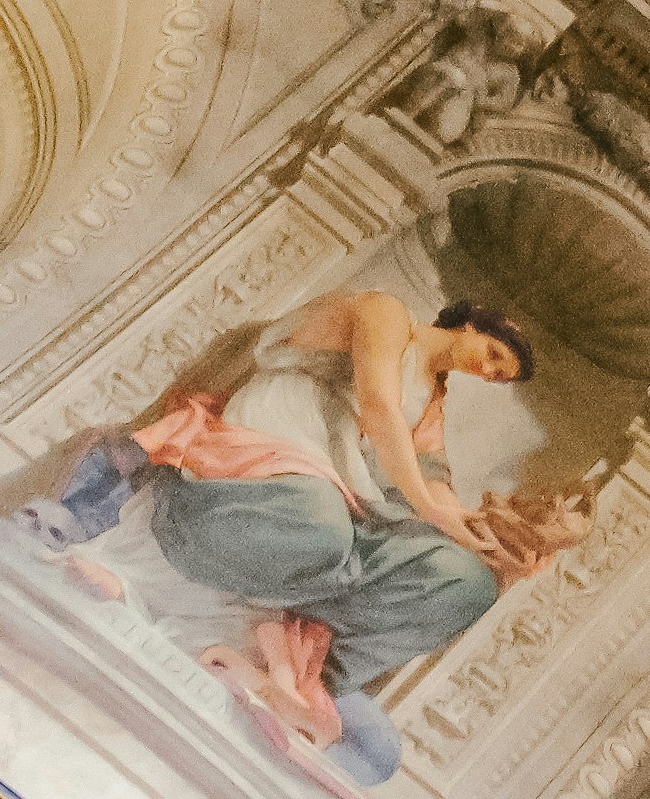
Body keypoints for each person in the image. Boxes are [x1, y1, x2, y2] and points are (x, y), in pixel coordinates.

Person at [71, 290, 587, 762]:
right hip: (272, 443)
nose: (488, 371)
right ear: (473, 324)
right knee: (321, 529)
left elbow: (433, 484)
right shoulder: (388, 314)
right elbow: (379, 405)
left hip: (338, 498)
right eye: (494, 356)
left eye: (499, 376)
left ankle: (298, 683)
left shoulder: (432, 404)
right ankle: (273, 645)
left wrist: (486, 543)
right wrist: (433, 513)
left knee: (463, 582)